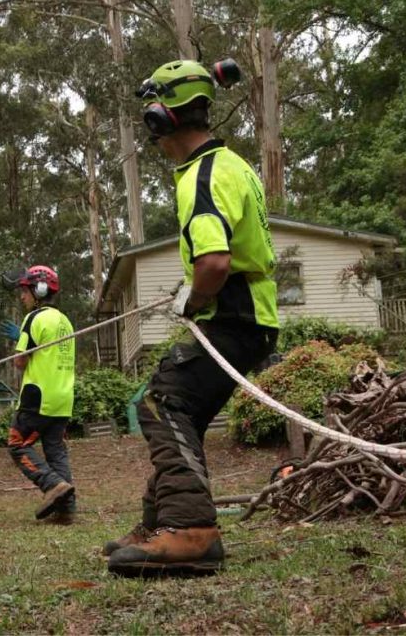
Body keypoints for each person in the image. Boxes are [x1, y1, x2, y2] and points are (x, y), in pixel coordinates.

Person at [103, 59, 279, 576]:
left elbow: (215, 261)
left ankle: (191, 529)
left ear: (163, 117)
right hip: (253, 314)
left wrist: (194, 299)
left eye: (150, 113)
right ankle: (162, 520)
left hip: (235, 314)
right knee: (182, 407)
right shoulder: (231, 165)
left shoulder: (201, 175)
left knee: (164, 400)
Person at [0, 265, 76, 522]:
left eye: (25, 290)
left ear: (39, 290)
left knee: (17, 444)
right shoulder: (66, 321)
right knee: (55, 451)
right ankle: (67, 510)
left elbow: (20, 363)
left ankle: (51, 484)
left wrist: (19, 339)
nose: (22, 296)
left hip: (38, 395)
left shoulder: (34, 318)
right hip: (63, 398)